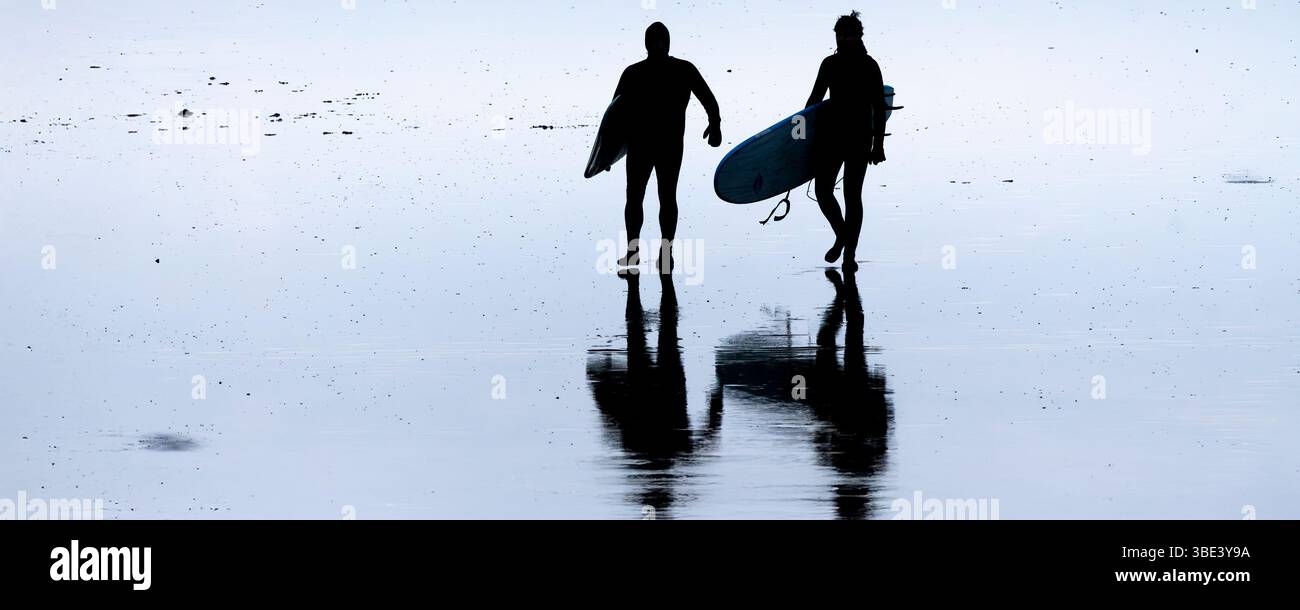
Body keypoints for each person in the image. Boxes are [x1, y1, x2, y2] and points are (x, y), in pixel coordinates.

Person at [614, 22, 722, 274]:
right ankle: (660, 254)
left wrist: (608, 154)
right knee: (662, 197)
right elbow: (710, 101)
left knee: (640, 198)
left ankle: (639, 254)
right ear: (667, 42)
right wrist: (715, 126)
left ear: (646, 43)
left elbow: (614, 117)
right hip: (667, 144)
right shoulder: (682, 69)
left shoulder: (634, 73)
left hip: (643, 144)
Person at [806, 10, 887, 272]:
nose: (845, 39)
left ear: (859, 36)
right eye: (841, 35)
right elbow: (814, 101)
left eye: (850, 35)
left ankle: (849, 254)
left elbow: (879, 106)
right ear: (836, 36)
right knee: (823, 191)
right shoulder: (829, 64)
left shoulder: (869, 65)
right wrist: (799, 136)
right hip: (830, 137)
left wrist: (879, 145)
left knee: (853, 195)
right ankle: (842, 235)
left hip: (860, 137)